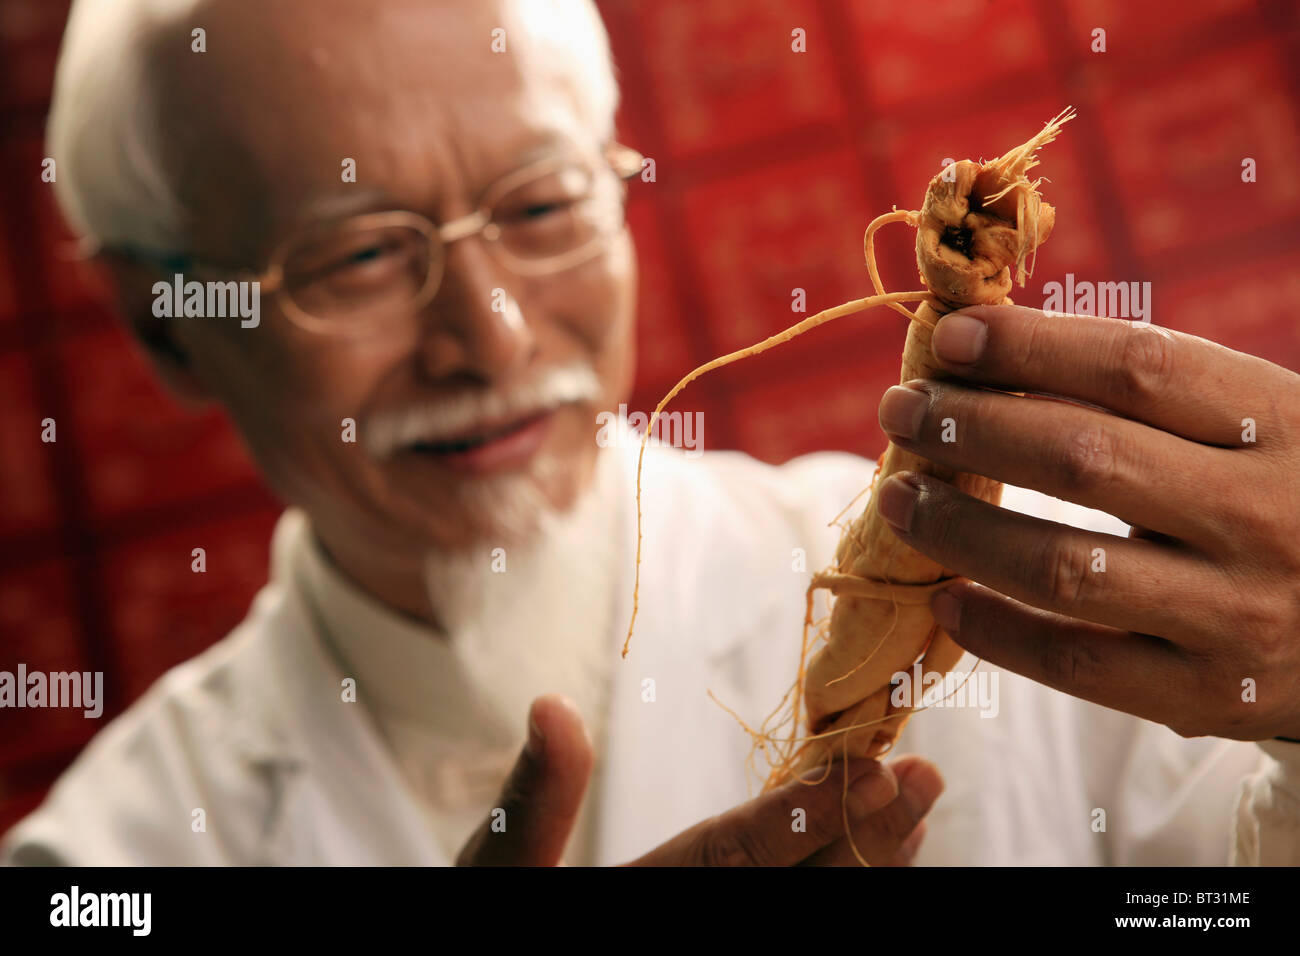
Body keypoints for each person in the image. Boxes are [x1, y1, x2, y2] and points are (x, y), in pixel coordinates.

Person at [5, 0, 1298, 866]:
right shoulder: (107, 860)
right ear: (168, 321)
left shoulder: (1036, 595)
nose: (495, 337)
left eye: (543, 203)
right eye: (354, 256)